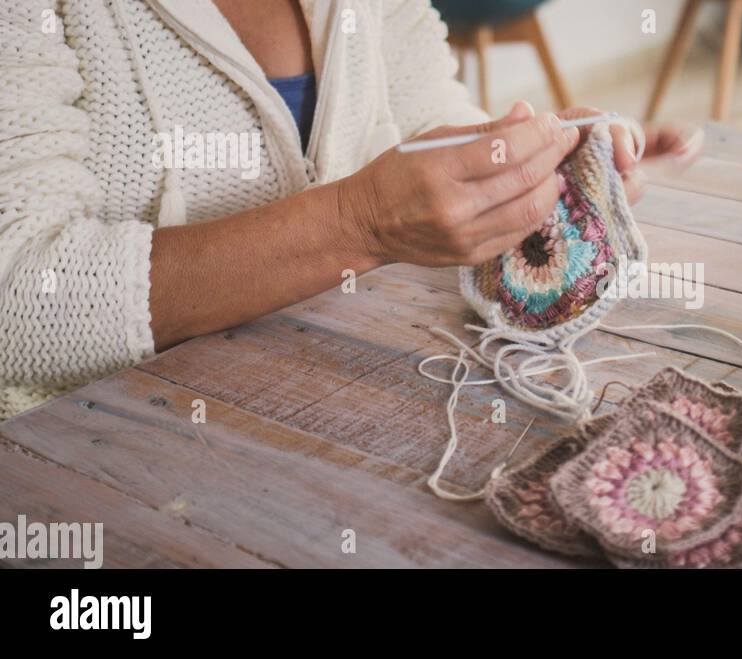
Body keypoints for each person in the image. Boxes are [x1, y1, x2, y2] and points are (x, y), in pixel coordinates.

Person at [0, 0, 702, 419]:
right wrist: (355, 223)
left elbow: (431, 116)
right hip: (88, 465)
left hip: (329, 403)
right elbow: (17, 295)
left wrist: (526, 168)